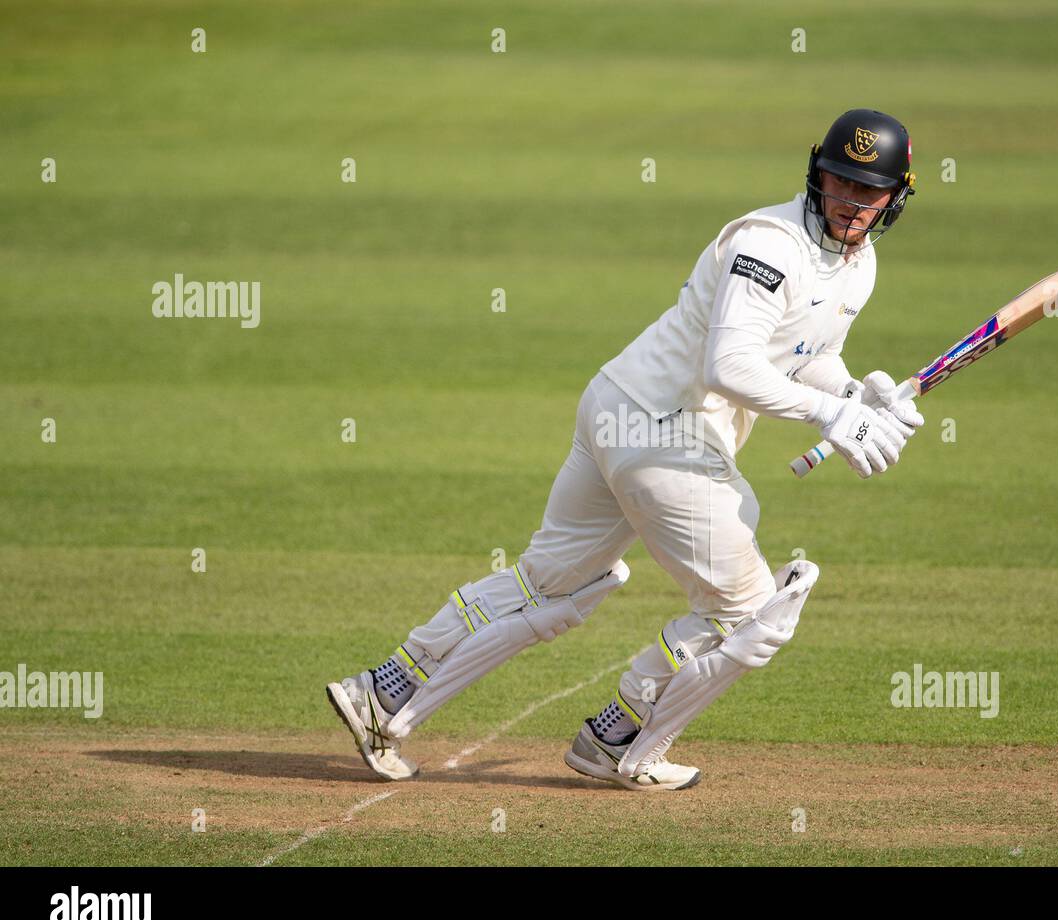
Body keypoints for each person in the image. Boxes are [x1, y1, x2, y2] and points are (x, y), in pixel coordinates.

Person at [327, 108, 924, 791]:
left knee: (552, 586)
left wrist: (853, 394)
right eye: (838, 182)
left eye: (866, 192)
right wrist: (831, 415)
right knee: (754, 612)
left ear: (894, 199)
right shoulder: (769, 245)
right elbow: (730, 365)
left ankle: (387, 686)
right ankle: (620, 737)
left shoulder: (858, 264)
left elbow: (801, 352)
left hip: (622, 409)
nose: (849, 202)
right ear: (815, 174)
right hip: (659, 427)